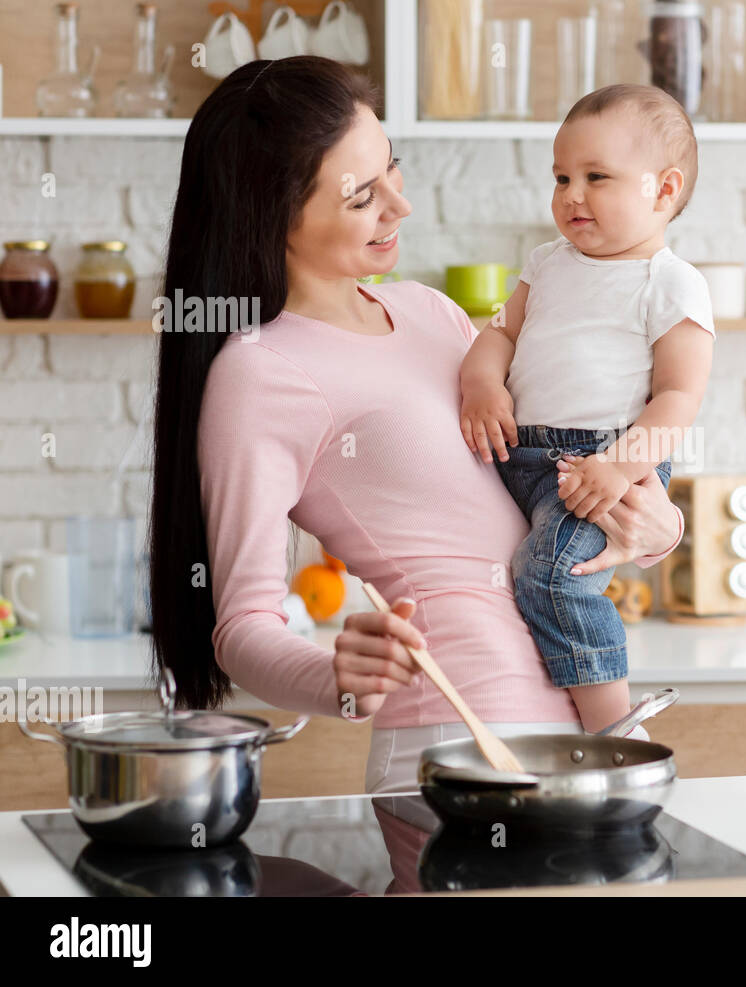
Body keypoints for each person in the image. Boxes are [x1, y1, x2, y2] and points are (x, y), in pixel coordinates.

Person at [147, 57, 684, 796]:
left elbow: (543, 481)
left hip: (584, 714)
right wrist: (339, 675)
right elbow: (241, 626)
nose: (400, 206)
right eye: (363, 195)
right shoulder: (262, 370)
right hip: (458, 731)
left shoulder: (433, 313)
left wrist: (657, 527)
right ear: (272, 211)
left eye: (392, 169)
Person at [459, 84, 715, 733]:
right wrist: (483, 385)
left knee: (553, 577)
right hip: (522, 454)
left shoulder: (672, 281)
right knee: (507, 574)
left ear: (663, 190)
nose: (572, 194)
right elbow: (498, 335)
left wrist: (619, 468)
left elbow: (678, 399)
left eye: (596, 177)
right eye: (562, 177)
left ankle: (616, 728)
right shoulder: (545, 264)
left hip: (599, 461)